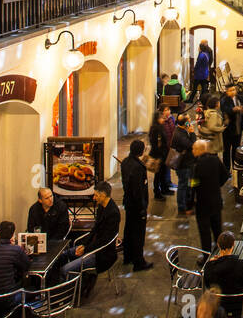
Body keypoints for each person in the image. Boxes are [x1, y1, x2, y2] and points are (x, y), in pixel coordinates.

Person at [62, 182, 120, 295]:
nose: (94, 198)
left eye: (96, 195)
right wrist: (83, 245)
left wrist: (86, 249)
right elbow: (95, 229)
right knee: (65, 254)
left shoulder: (113, 213)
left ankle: (73, 294)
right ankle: (75, 286)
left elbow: (104, 241)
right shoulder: (102, 208)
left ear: (103, 195)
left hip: (102, 255)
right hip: (93, 248)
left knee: (65, 269)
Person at [202, 231, 243, 318]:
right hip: (241, 305)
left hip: (218, 304)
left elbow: (207, 285)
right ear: (233, 245)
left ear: (218, 245)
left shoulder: (209, 267)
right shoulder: (241, 265)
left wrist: (211, 262)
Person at [119, 139, 154, 272]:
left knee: (128, 229)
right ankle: (138, 261)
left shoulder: (125, 163)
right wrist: (142, 207)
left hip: (128, 202)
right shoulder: (138, 167)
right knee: (138, 233)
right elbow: (138, 190)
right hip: (136, 205)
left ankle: (127, 256)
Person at [191, 139, 230, 254]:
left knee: (205, 233)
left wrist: (189, 203)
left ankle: (206, 257)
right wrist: (217, 185)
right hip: (216, 202)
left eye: (194, 148)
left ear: (199, 150)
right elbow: (225, 175)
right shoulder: (215, 160)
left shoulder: (196, 166)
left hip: (202, 205)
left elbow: (193, 186)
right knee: (218, 230)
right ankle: (221, 254)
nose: (192, 150)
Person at [170, 116, 196, 215]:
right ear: (185, 124)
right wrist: (192, 133)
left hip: (187, 163)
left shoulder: (181, 131)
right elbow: (192, 145)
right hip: (183, 165)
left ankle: (188, 201)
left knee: (187, 184)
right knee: (183, 185)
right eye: (189, 120)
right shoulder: (180, 135)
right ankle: (182, 207)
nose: (190, 122)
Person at [149, 112, 173, 198]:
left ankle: (164, 189)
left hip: (163, 154)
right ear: (157, 119)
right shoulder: (155, 129)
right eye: (162, 118)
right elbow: (155, 143)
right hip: (158, 155)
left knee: (163, 173)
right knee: (158, 175)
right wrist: (160, 155)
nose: (164, 119)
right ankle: (157, 192)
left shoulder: (161, 127)